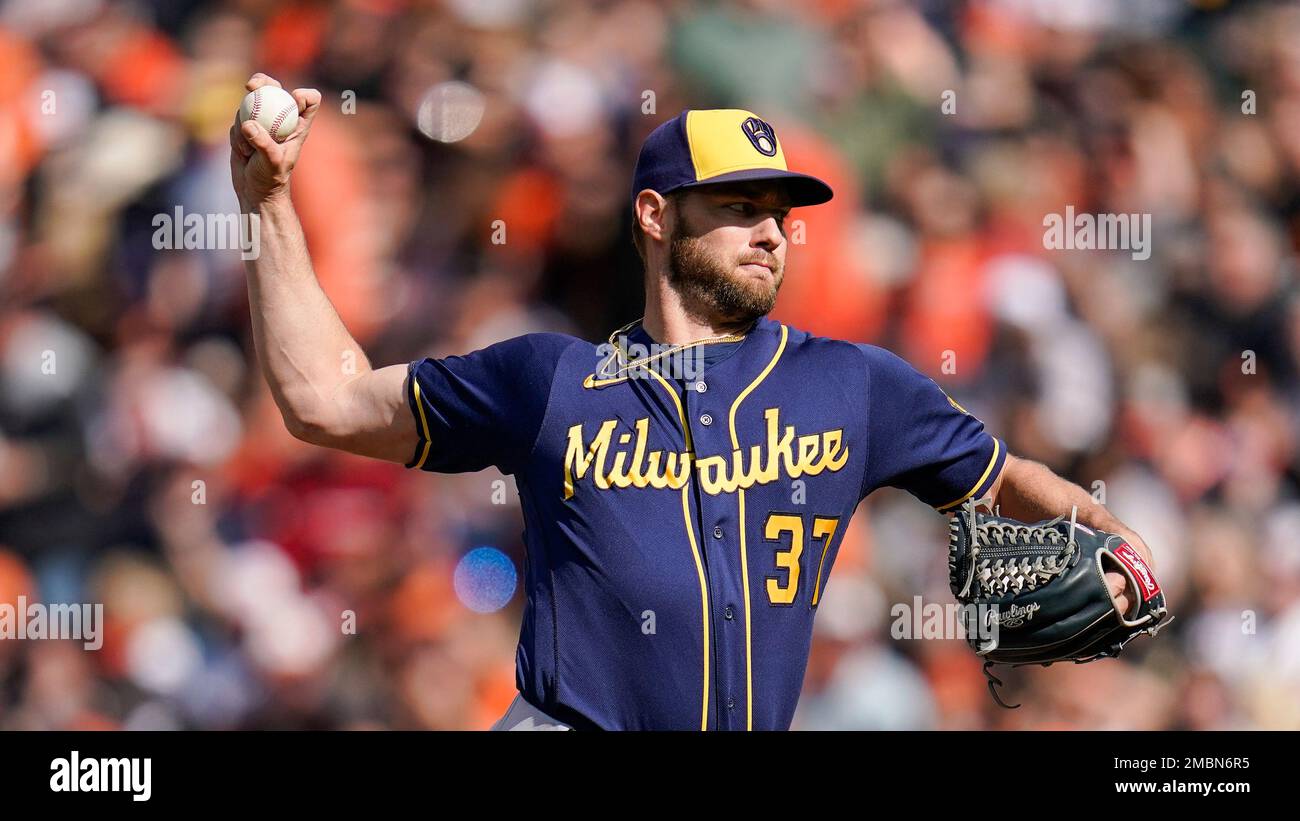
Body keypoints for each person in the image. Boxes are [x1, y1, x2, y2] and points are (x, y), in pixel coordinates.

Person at [230, 74, 1157, 731]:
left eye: (779, 212)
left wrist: (1116, 538)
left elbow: (1001, 479)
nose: (771, 232)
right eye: (738, 206)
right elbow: (324, 400)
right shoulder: (549, 379)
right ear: (655, 215)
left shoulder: (854, 385)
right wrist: (269, 203)